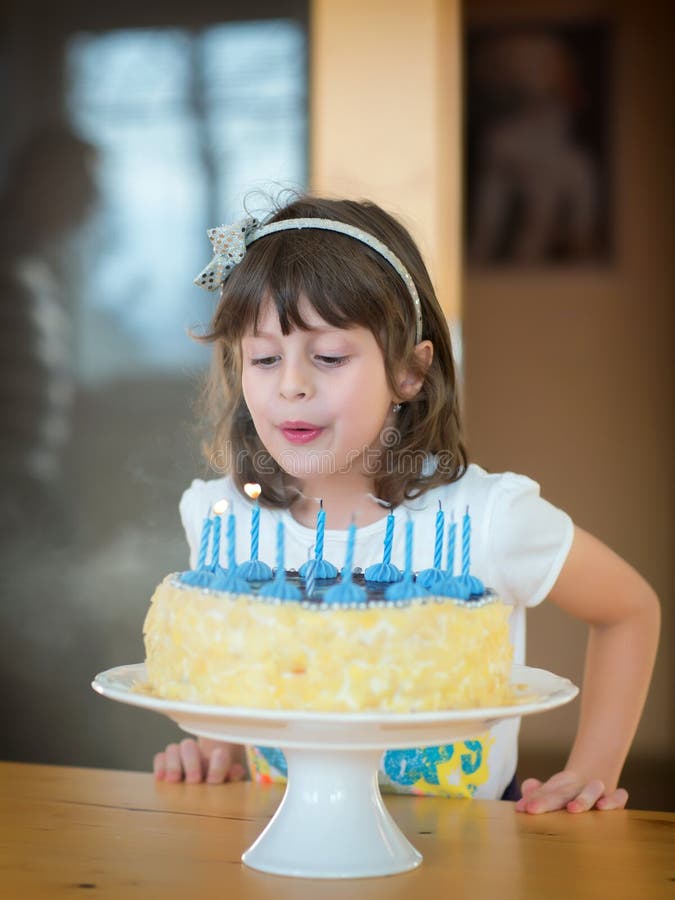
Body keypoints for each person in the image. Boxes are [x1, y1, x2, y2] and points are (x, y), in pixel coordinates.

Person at [153, 195, 659, 813]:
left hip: (468, 860)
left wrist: (593, 769)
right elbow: (236, 692)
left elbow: (629, 610)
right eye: (263, 358)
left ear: (410, 372)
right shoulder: (224, 521)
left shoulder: (488, 518)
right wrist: (216, 752)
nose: (291, 383)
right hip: (280, 849)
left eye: (330, 356)